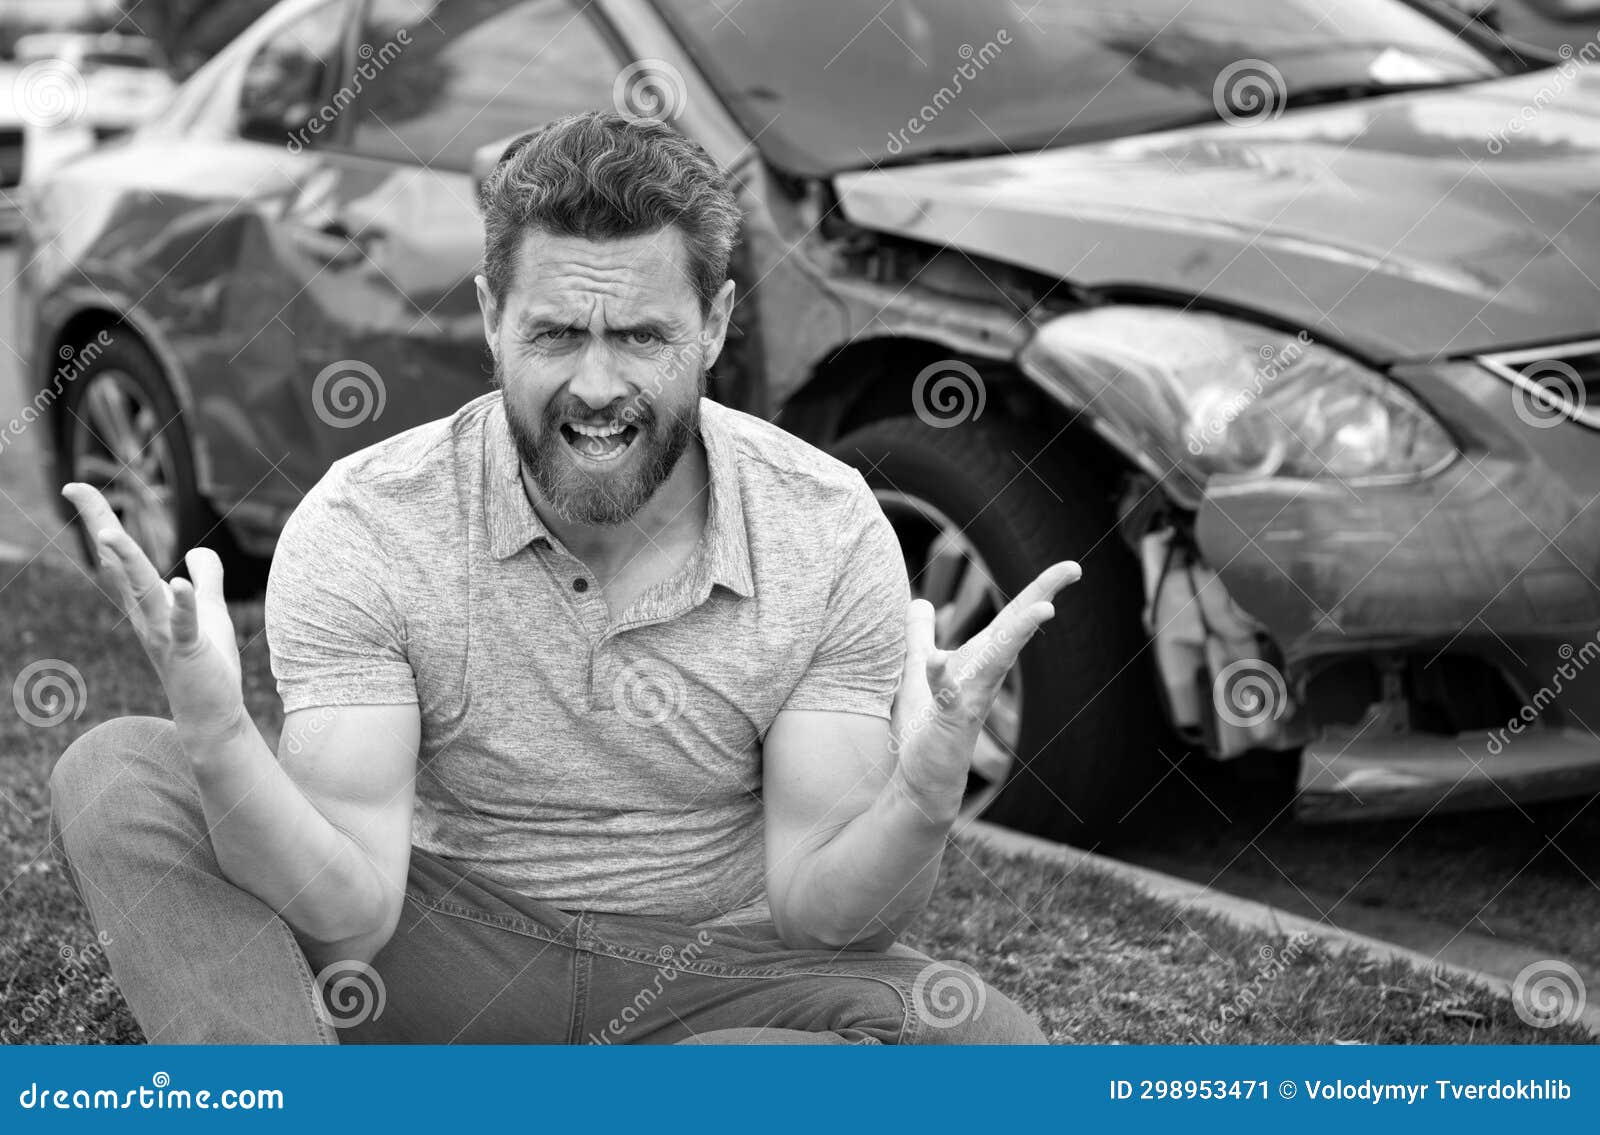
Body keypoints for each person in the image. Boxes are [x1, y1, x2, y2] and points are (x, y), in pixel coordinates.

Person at [49, 111, 1078, 1044]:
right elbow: (352, 906)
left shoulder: (824, 523)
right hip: (439, 956)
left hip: (710, 976)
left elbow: (822, 909)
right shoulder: (368, 521)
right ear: (495, 315)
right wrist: (222, 739)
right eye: (555, 334)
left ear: (713, 324)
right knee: (124, 773)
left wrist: (928, 787)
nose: (595, 387)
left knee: (984, 1047)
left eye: (640, 336)